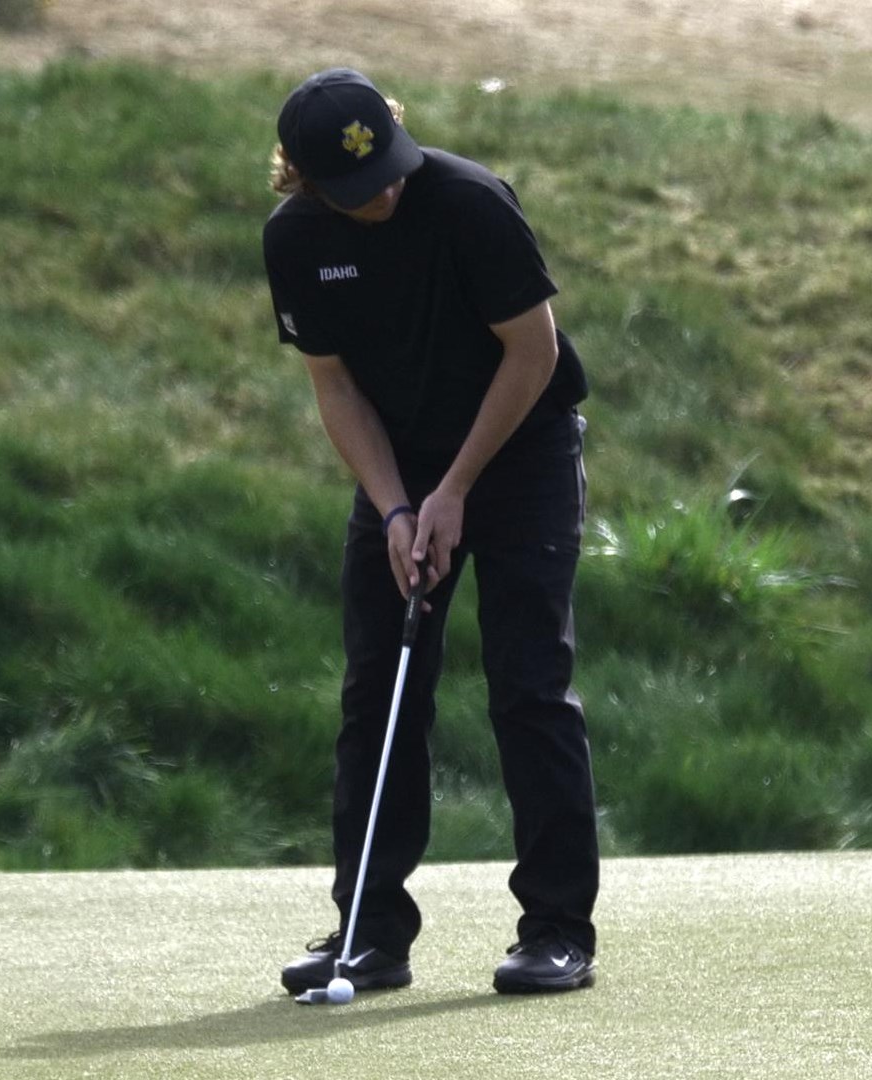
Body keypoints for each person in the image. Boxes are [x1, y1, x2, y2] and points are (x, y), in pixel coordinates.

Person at [261, 68, 598, 996]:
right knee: (381, 687)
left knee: (529, 682)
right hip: (401, 467)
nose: (387, 193)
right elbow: (334, 387)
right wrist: (400, 507)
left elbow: (534, 354)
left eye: (392, 169)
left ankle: (557, 930)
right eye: (361, 189)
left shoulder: (471, 202)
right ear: (304, 179)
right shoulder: (293, 241)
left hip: (519, 452)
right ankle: (369, 932)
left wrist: (454, 489)